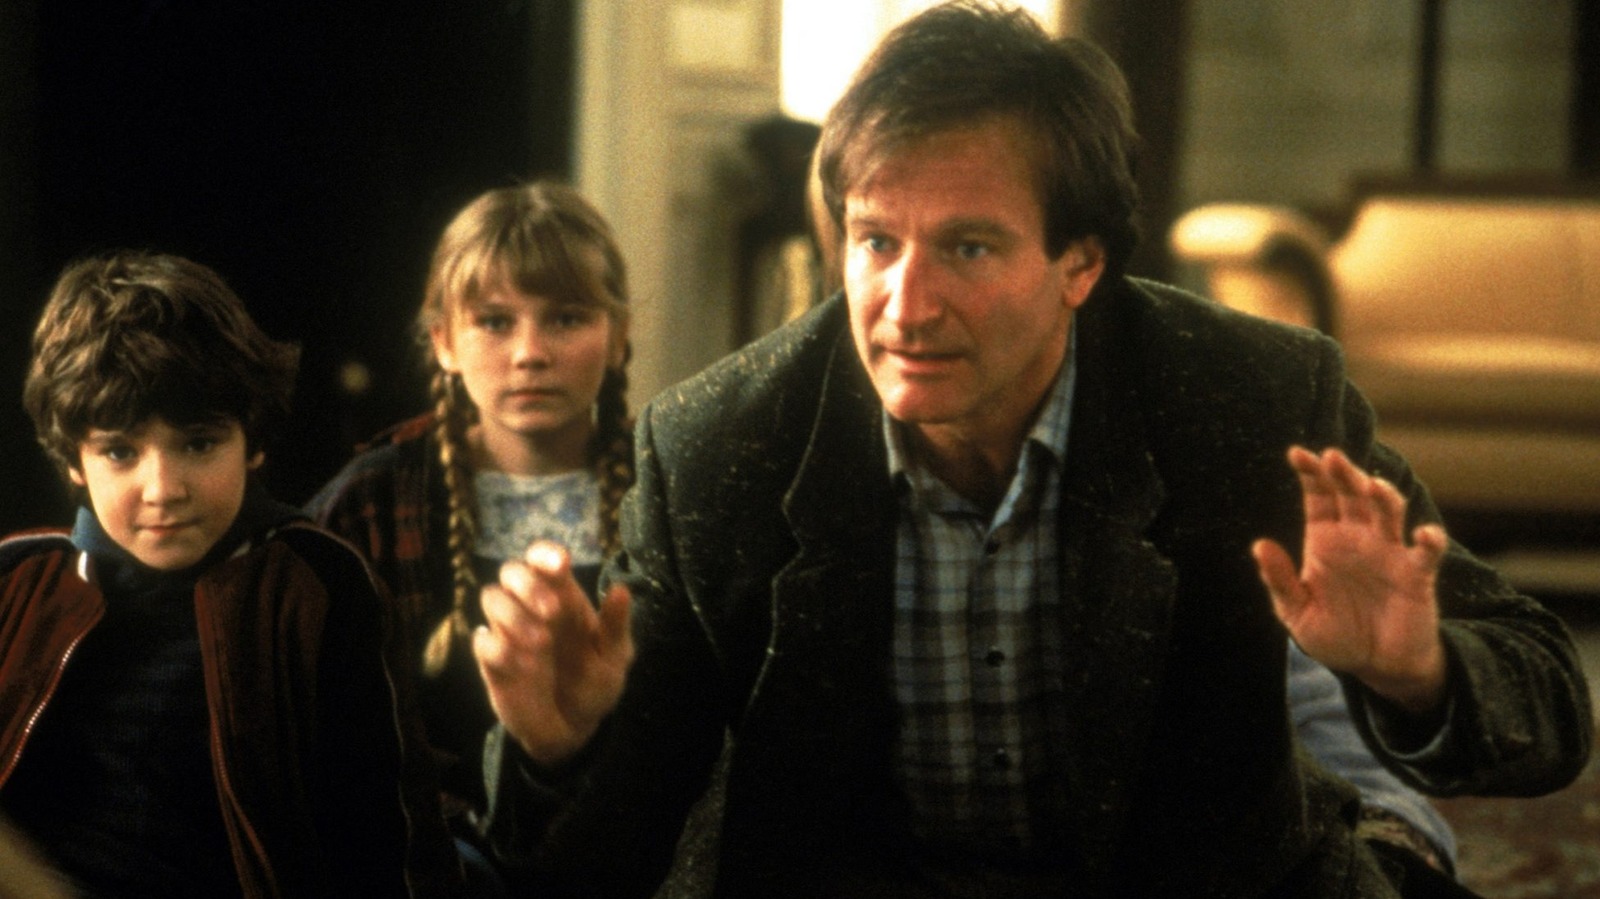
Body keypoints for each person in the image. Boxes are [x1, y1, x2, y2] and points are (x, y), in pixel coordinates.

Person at [476, 3, 1594, 896]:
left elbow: (1548, 709)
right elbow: (607, 856)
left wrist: (1415, 670)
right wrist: (558, 751)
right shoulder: (720, 446)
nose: (905, 304)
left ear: (1081, 264)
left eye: (967, 247)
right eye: (875, 240)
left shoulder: (1249, 397)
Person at [0, 251, 464, 897]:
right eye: (120, 452)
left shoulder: (315, 587)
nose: (163, 489)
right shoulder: (18, 581)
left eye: (198, 444)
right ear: (75, 461)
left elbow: (390, 841)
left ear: (254, 441)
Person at [306, 181, 634, 893]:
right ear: (443, 341)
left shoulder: (669, 490)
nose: (530, 353)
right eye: (494, 321)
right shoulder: (373, 500)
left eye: (566, 317)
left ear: (618, 336)